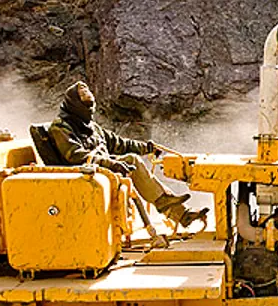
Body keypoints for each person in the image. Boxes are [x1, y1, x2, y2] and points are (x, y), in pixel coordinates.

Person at [48, 81, 208, 228]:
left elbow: (118, 143)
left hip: (102, 172)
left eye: (91, 104)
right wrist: (110, 164)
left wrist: (146, 148)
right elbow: (75, 155)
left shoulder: (90, 126)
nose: (90, 108)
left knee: (131, 159)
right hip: (84, 177)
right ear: (75, 105)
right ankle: (172, 207)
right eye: (86, 104)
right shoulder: (61, 128)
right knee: (131, 161)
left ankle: (181, 214)